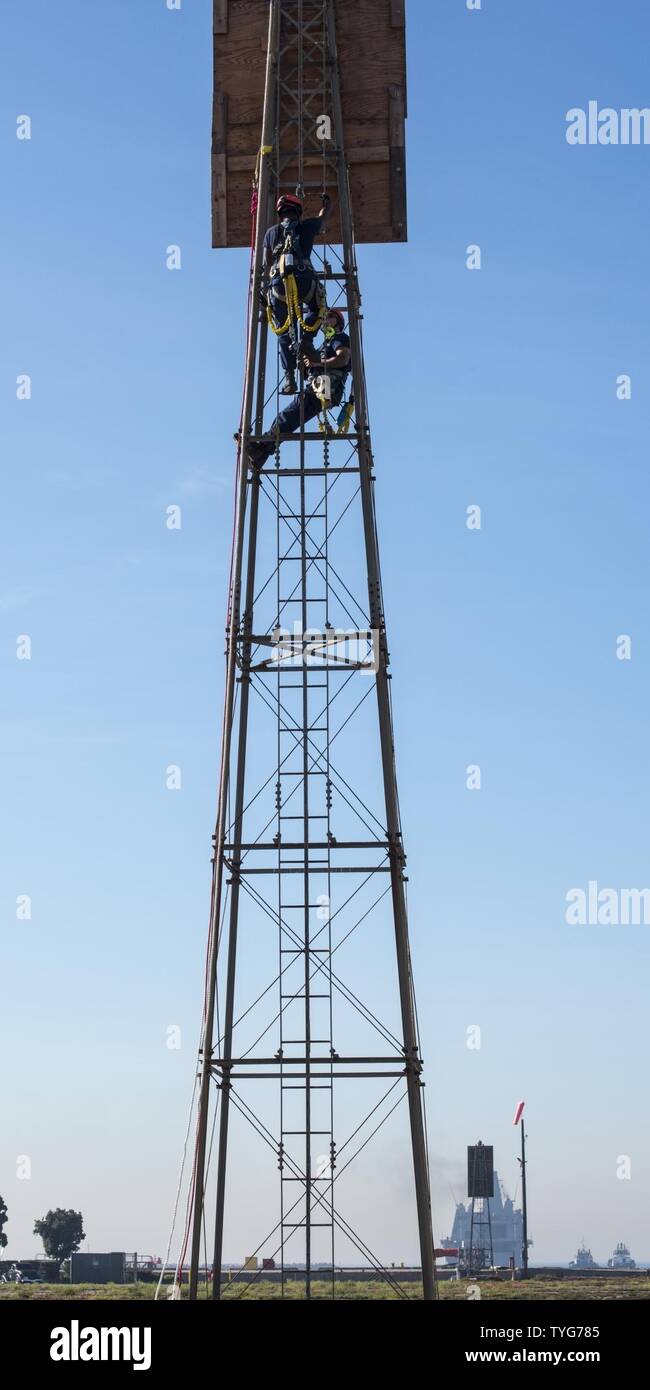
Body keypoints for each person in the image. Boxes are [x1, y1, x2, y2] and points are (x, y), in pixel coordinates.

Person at [247, 308, 351, 470]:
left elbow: (343, 358)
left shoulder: (339, 338)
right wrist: (305, 365)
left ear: (338, 322)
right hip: (320, 387)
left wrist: (317, 363)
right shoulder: (326, 344)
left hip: (327, 387)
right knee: (292, 418)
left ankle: (262, 448)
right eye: (323, 317)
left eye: (329, 317)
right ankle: (262, 453)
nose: (325, 320)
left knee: (290, 414)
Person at [263, 192, 334, 393]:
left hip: (279, 284)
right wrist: (327, 204)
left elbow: (267, 264)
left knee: (284, 331)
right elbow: (324, 217)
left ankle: (289, 378)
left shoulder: (270, 233)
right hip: (305, 280)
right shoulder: (308, 226)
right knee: (317, 309)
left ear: (280, 213)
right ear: (298, 212)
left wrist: (266, 290)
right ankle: (306, 340)